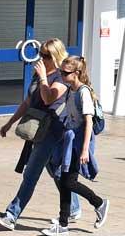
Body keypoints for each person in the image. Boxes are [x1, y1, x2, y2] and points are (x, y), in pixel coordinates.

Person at [0, 39, 81, 230]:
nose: (41, 58)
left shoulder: (60, 77)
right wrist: (10, 122)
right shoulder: (39, 74)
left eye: (46, 55)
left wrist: (42, 78)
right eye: (41, 53)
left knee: (31, 173)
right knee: (57, 172)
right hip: (38, 130)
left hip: (53, 131)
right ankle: (75, 207)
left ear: (56, 56)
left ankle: (11, 215)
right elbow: (28, 102)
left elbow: (49, 98)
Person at [44, 56, 108, 236]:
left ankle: (99, 203)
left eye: (65, 73)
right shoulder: (70, 90)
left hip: (80, 142)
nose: (62, 75)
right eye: (61, 72)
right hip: (70, 140)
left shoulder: (83, 92)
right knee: (65, 180)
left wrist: (85, 150)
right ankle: (63, 224)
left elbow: (88, 122)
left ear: (77, 73)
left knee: (68, 182)